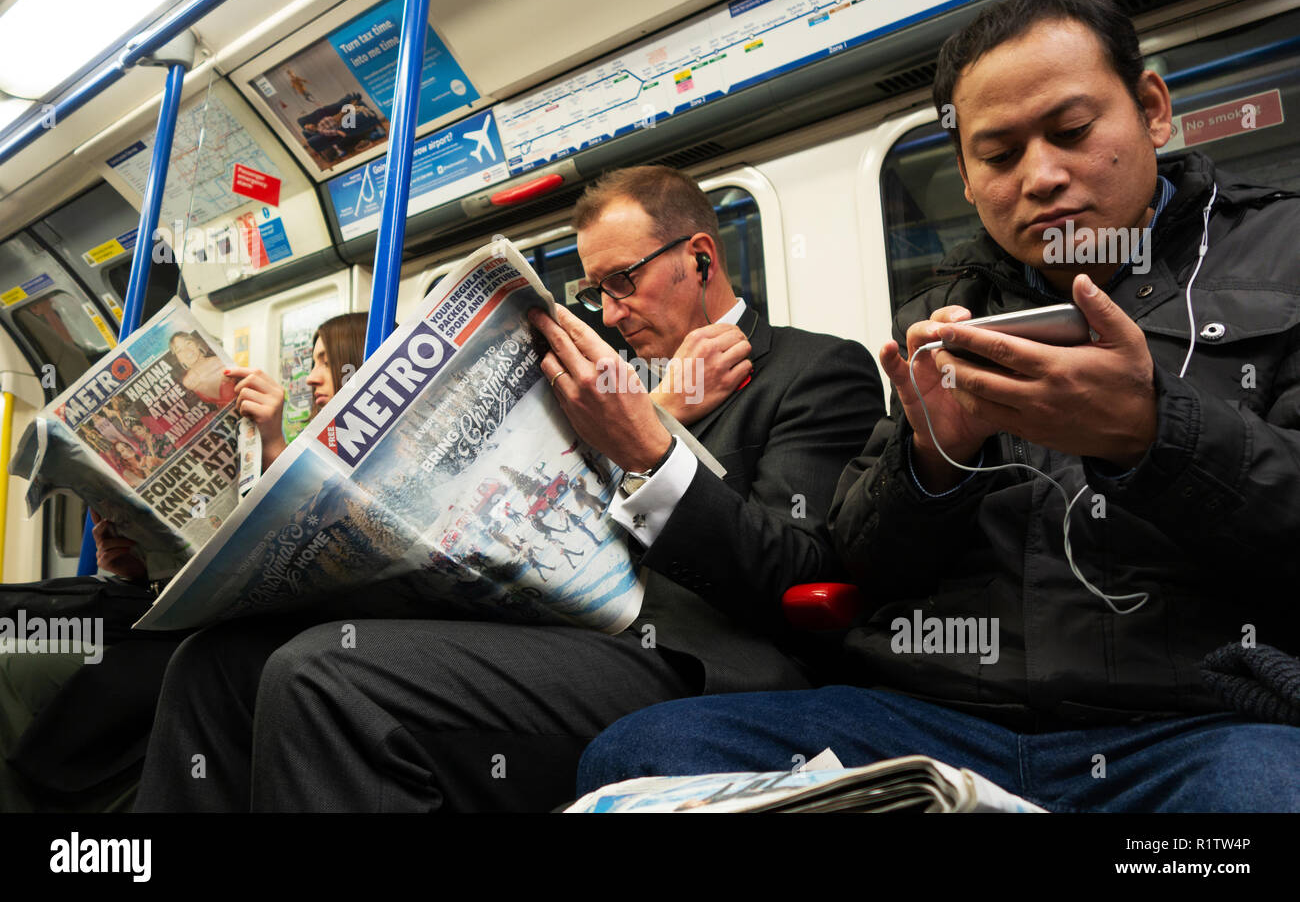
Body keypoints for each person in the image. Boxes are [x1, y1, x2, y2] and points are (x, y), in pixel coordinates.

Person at [575, 0, 1300, 812]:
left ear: (1152, 110)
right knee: (644, 754)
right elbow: (862, 566)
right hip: (945, 714)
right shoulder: (939, 313)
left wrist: (1153, 435)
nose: (1042, 177)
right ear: (965, 175)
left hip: (1189, 723)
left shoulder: (1281, 256)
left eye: (1072, 132)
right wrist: (931, 465)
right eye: (997, 155)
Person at [131, 165, 886, 812]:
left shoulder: (816, 370)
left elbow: (802, 568)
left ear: (698, 258)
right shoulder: (623, 385)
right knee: (217, 663)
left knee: (325, 674)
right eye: (597, 292)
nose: (613, 313)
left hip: (691, 651)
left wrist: (651, 446)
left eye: (625, 280)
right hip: (558, 623)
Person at [0, 313, 367, 811]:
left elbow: (315, 568)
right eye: (315, 359)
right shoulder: (290, 436)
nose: (312, 375)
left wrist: (274, 444)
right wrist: (135, 564)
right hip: (183, 613)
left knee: (39, 669)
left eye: (327, 360)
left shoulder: (335, 460)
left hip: (246, 633)